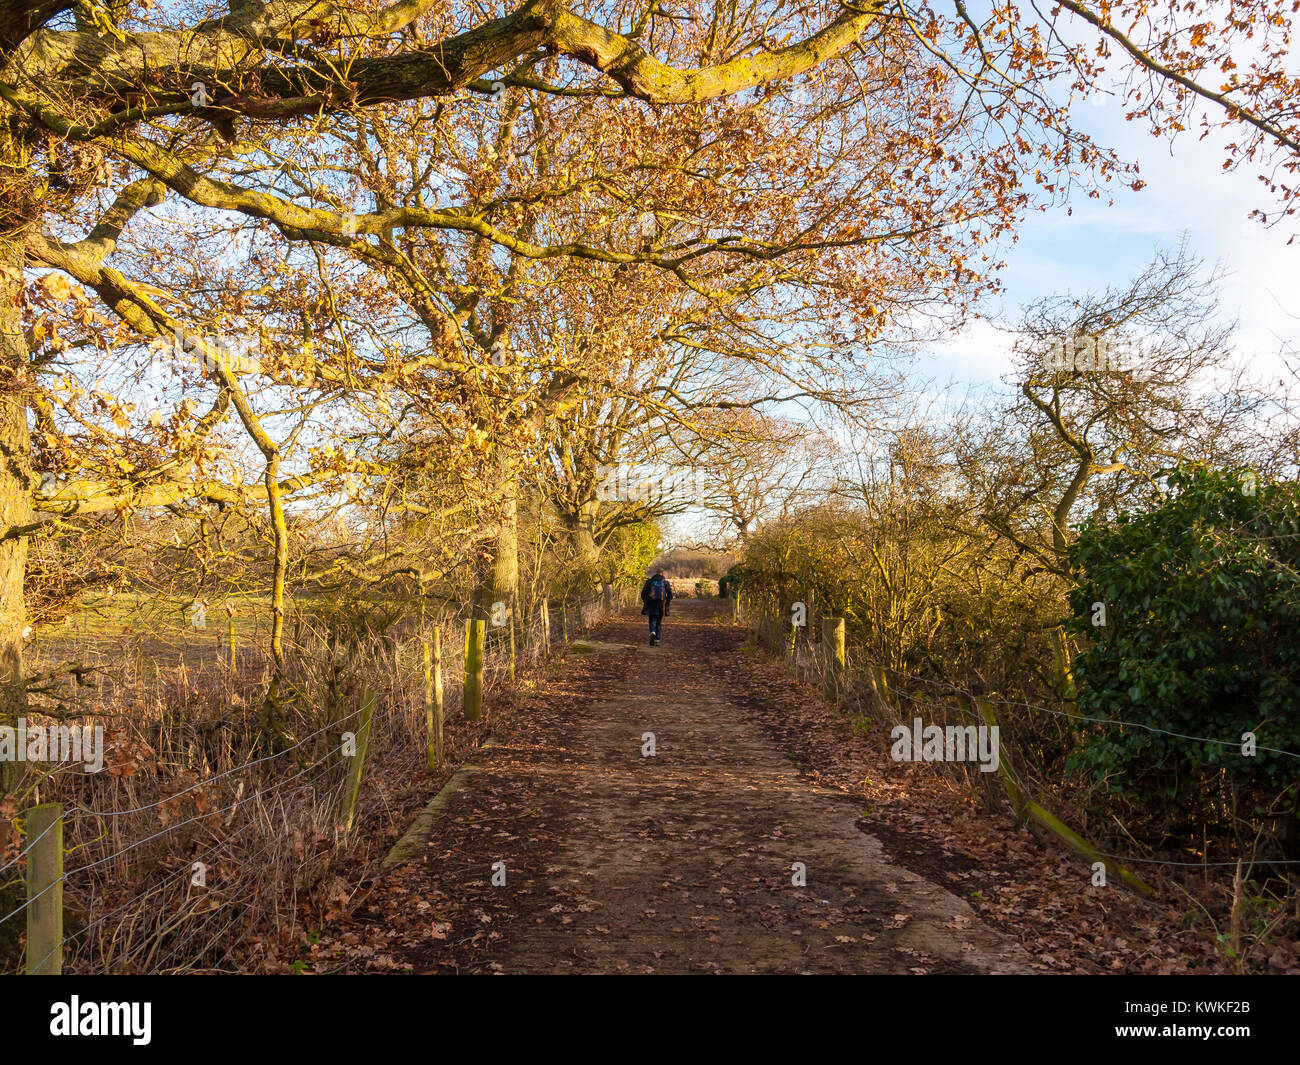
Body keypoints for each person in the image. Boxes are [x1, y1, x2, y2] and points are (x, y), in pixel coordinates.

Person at [640, 570, 674, 645]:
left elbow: (643, 593)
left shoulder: (649, 581)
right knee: (658, 622)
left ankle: (652, 631)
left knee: (652, 619)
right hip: (661, 604)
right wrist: (666, 601)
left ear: (655, 573)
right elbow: (670, 595)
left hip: (651, 604)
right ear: (662, 573)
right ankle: (657, 640)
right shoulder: (665, 582)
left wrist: (646, 600)